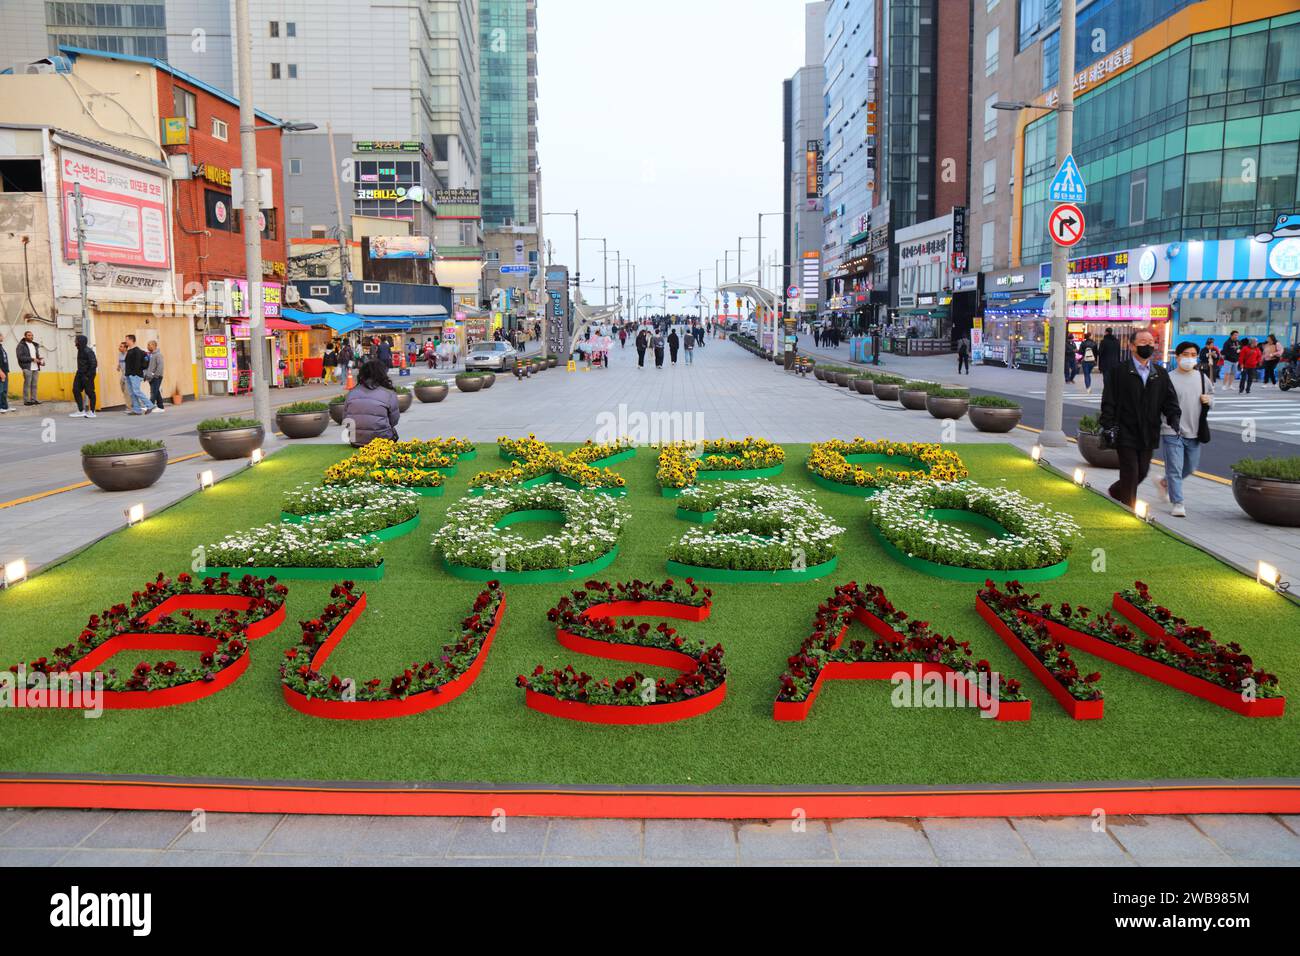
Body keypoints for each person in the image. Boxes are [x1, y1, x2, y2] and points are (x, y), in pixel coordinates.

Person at [1099, 329, 1181, 509]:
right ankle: (1129, 509)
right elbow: (1109, 400)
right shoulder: (1119, 372)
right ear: (1132, 346)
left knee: (1142, 472)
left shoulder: (1160, 373)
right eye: (1143, 342)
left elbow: (1169, 399)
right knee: (1131, 471)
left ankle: (1115, 491)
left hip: (1149, 431)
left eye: (1151, 342)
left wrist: (1173, 417)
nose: (1148, 345)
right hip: (1125, 429)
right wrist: (1108, 424)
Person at [1158, 341, 1213, 518]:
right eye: (1186, 354)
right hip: (1172, 431)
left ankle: (1165, 483)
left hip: (1195, 430)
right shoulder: (1167, 378)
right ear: (1178, 356)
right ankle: (1178, 503)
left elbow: (1212, 397)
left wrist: (1209, 401)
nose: (1189, 358)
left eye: (1193, 355)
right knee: (1174, 468)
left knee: (1190, 467)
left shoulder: (1202, 378)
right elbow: (1158, 404)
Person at [342, 359, 400, 447]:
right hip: (381, 440)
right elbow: (394, 420)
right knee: (393, 432)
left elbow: (345, 418)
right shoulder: (389, 393)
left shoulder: (352, 392)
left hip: (356, 440)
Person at [70, 334, 98, 418]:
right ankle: (81, 410)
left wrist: (88, 375)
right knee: (75, 390)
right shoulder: (80, 350)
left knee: (90, 392)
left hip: (88, 375)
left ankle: (92, 412)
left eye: (76, 340)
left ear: (80, 341)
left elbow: (94, 364)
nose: (75, 342)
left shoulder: (88, 351)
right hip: (80, 374)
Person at [122, 335, 151, 415]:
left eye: (126, 339)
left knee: (136, 391)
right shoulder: (130, 350)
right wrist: (127, 374)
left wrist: (134, 374)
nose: (125, 341)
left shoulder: (136, 351)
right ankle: (137, 409)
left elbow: (137, 364)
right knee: (132, 393)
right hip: (129, 375)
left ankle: (150, 405)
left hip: (134, 375)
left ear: (131, 340)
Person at [16, 330, 44, 405]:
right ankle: (26, 400)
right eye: (29, 335)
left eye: (32, 335)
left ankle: (34, 399)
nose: (31, 337)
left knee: (34, 385)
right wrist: (32, 359)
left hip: (35, 368)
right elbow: (20, 357)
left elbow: (36, 356)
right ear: (25, 336)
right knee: (27, 384)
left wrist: (40, 360)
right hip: (27, 367)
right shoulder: (21, 345)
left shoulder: (34, 345)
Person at [145, 340, 166, 413]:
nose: (147, 346)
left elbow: (160, 366)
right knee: (156, 391)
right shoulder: (150, 355)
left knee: (153, 392)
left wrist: (155, 375)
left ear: (154, 346)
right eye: (147, 345)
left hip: (157, 376)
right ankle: (161, 407)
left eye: (149, 345)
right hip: (150, 377)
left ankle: (149, 406)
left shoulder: (158, 355)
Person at [0, 332, 10, 413]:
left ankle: (5, 406)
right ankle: (1, 407)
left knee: (4, 390)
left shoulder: (1, 347)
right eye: (1, 335)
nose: (3, 337)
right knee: (1, 390)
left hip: (4, 370)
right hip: (1, 371)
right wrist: (1, 372)